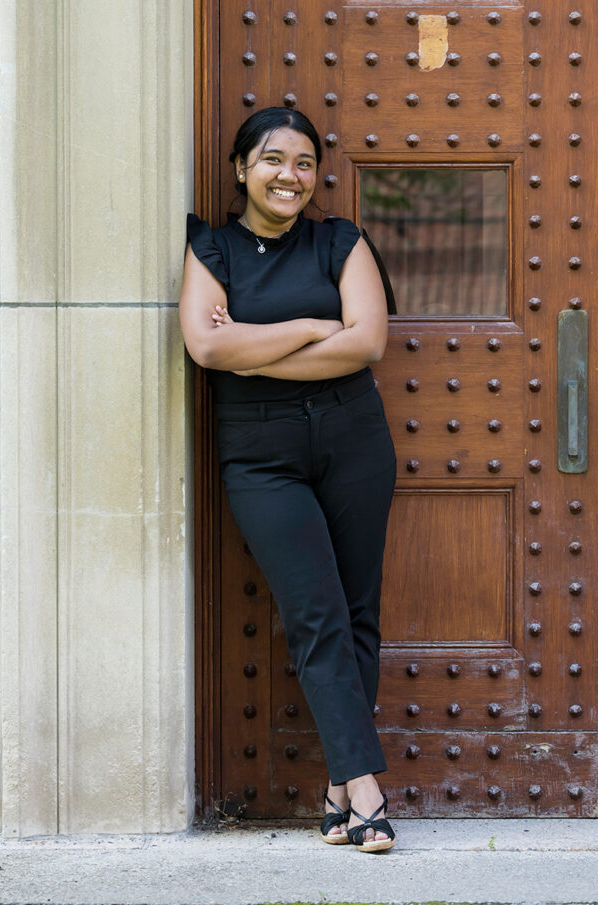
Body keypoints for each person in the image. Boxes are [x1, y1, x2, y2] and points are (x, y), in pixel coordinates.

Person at [179, 107, 398, 852]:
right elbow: (206, 349)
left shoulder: (342, 240)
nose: (290, 176)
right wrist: (312, 328)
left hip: (353, 438)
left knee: (357, 611)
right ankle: (366, 788)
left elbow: (366, 341)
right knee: (316, 615)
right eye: (274, 160)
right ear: (242, 168)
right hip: (260, 453)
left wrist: (252, 344)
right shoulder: (211, 248)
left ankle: (341, 787)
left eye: (304, 163)